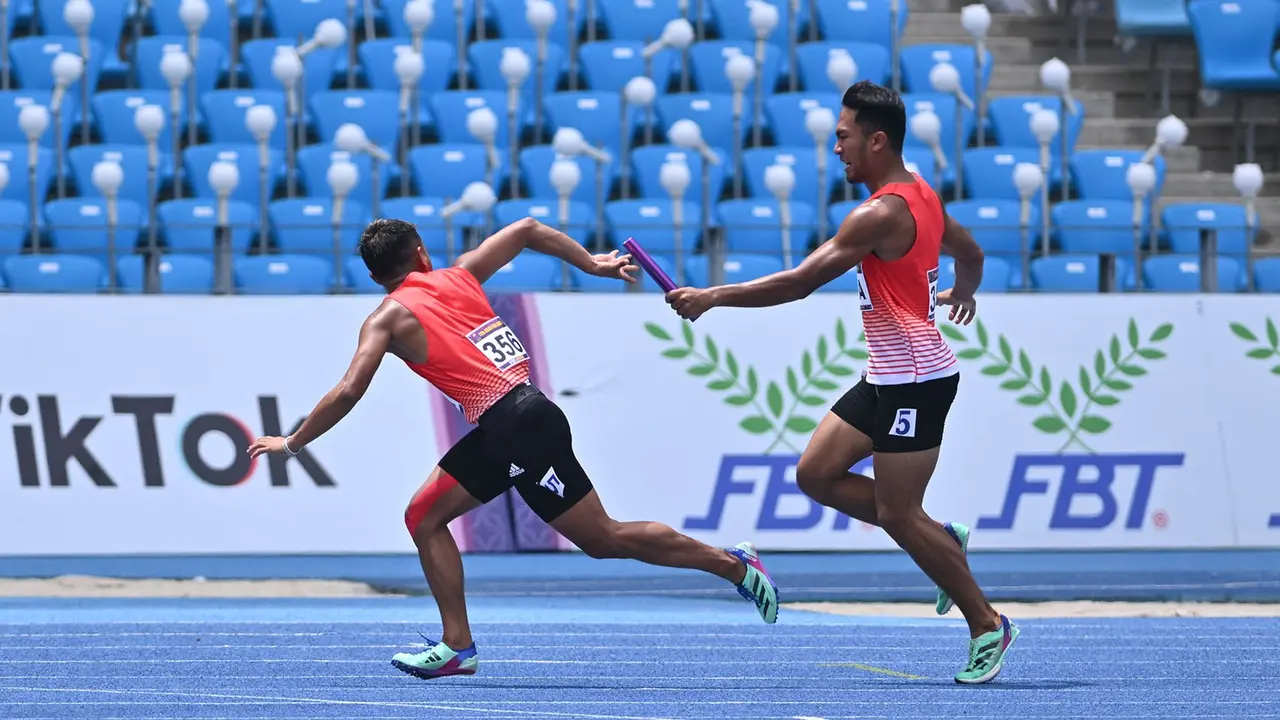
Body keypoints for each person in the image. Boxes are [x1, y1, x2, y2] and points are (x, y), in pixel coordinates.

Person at [247, 217, 780, 680]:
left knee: (576, 534)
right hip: (518, 420)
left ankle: (731, 565)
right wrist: (590, 265)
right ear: (421, 254)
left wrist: (293, 441)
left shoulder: (386, 317)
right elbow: (526, 229)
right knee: (446, 519)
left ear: (372, 275)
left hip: (517, 426)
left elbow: (348, 390)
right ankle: (459, 647)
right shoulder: (458, 274)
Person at [665, 80, 1017, 684]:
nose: (836, 149)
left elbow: (799, 282)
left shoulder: (879, 213)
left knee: (898, 516)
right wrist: (964, 293)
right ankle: (941, 537)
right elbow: (973, 253)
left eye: (844, 137)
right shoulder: (922, 196)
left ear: (877, 140)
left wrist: (712, 296)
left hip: (916, 382)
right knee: (816, 474)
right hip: (884, 375)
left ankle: (986, 622)